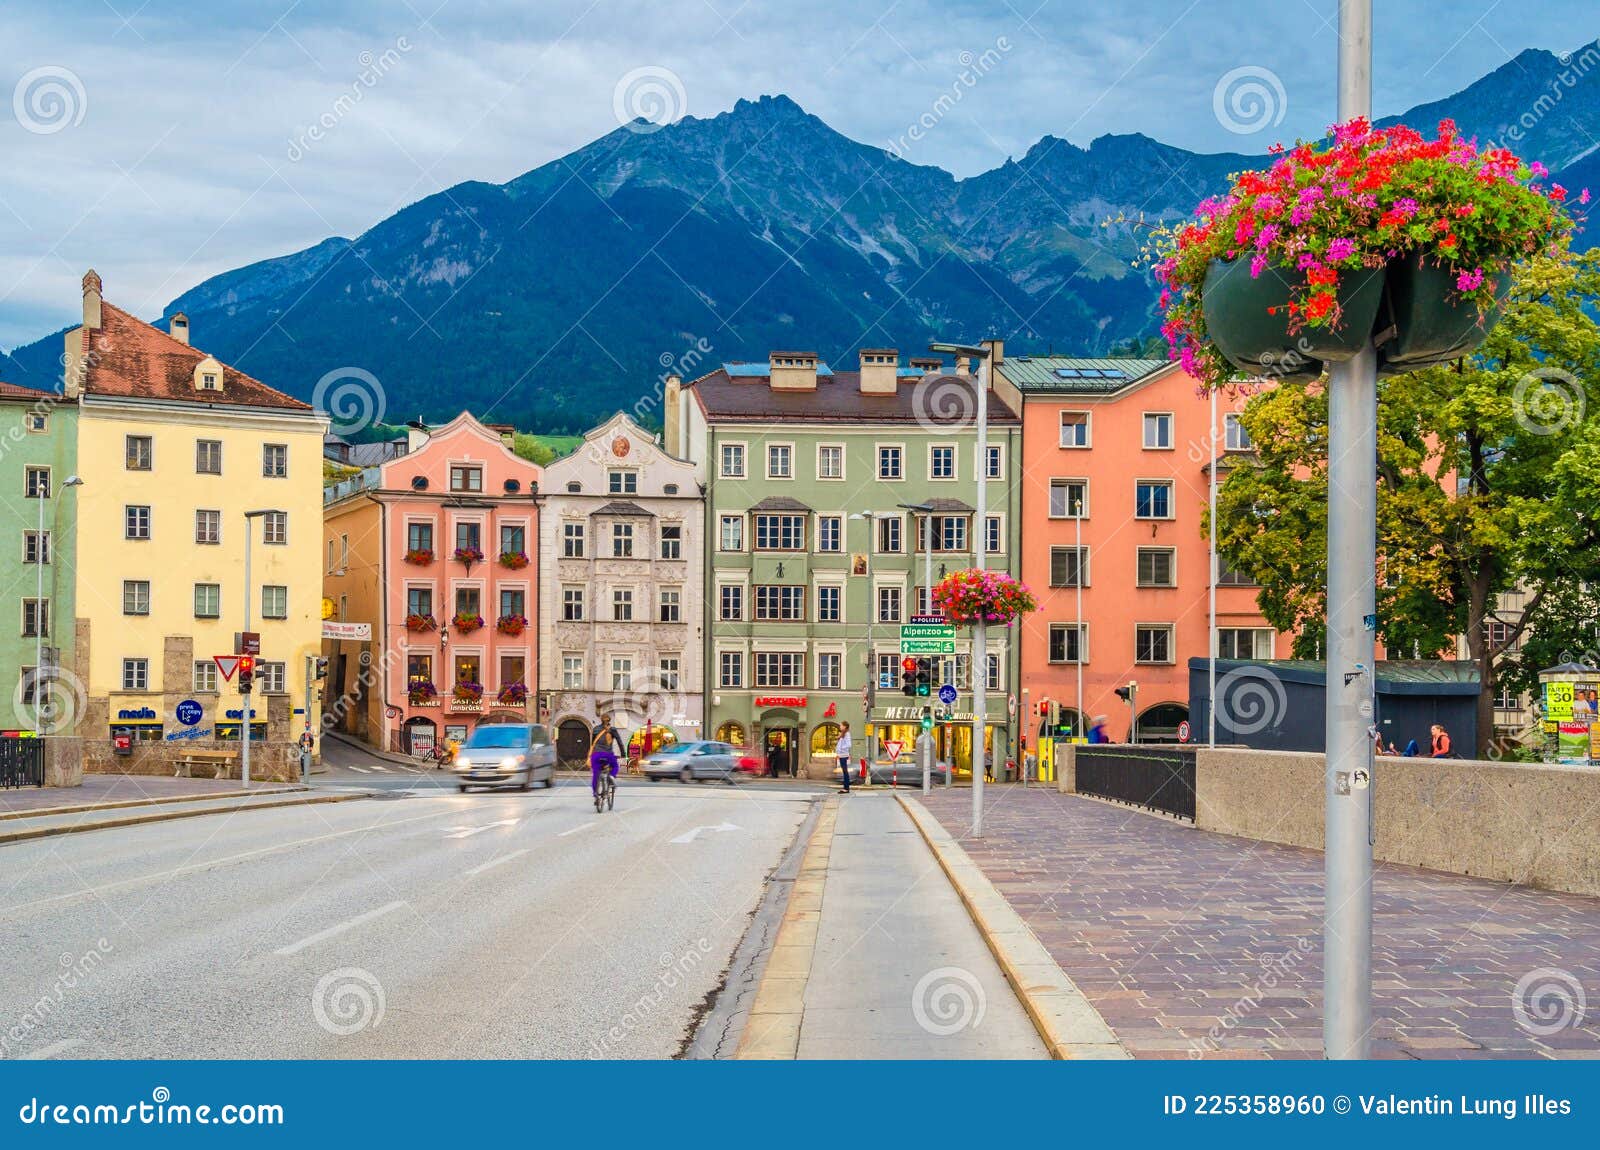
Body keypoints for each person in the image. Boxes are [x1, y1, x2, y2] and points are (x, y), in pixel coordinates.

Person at [589, 719, 622, 796]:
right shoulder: (612, 730)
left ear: (601, 720)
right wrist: (623, 754)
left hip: (596, 754)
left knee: (595, 774)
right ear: (609, 721)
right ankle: (611, 776)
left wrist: (591, 753)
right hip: (608, 755)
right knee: (615, 766)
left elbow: (592, 744)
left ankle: (595, 792)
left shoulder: (596, 729)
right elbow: (620, 742)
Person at [835, 722, 853, 794]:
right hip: (842, 754)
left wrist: (841, 749)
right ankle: (846, 787)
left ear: (845, 726)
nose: (840, 726)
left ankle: (846, 788)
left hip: (844, 755)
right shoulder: (843, 733)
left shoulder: (847, 734)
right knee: (844, 771)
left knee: (845, 772)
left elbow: (849, 745)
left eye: (841, 725)